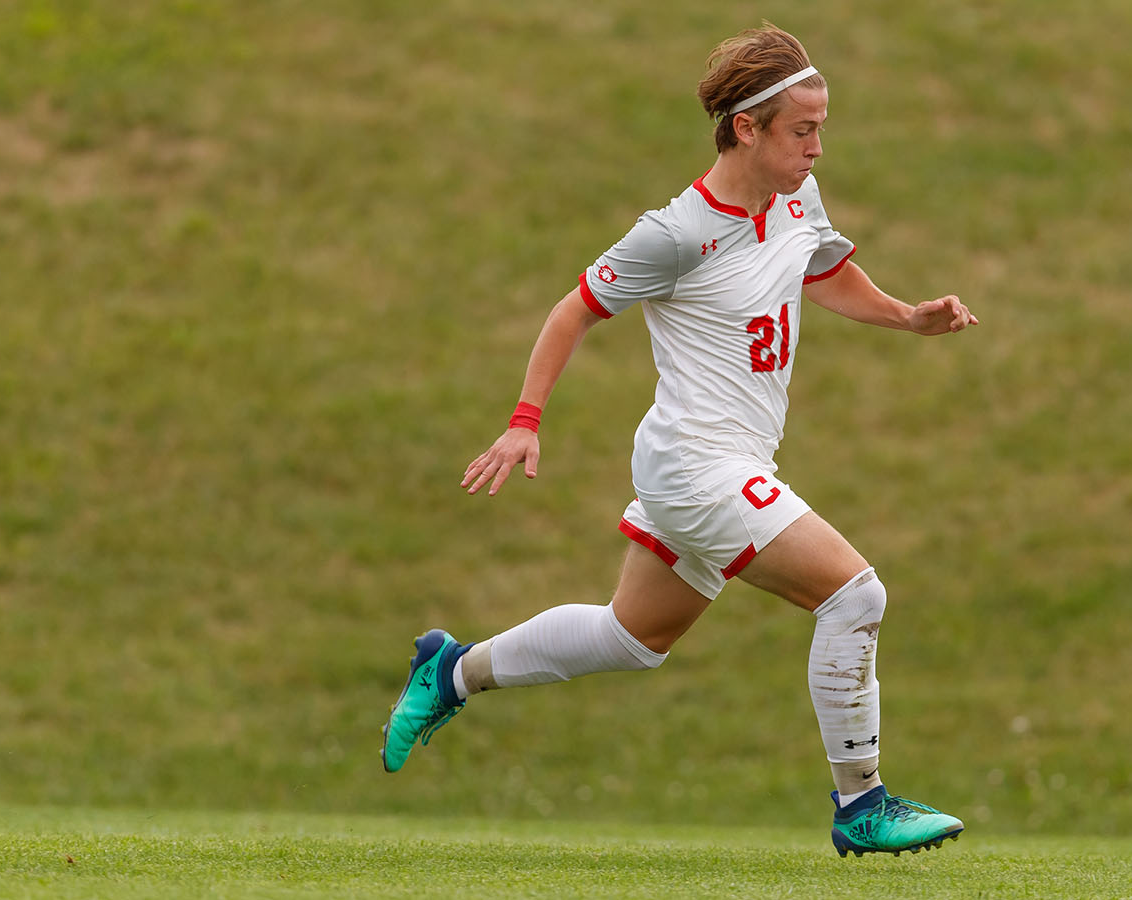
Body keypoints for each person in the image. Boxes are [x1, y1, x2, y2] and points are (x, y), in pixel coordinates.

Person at [381, 24, 979, 857]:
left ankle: (452, 670)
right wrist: (525, 421)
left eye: (822, 128)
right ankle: (862, 802)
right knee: (854, 595)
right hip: (698, 465)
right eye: (803, 130)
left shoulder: (793, 196)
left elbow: (821, 268)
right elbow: (573, 310)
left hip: (720, 462)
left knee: (634, 638)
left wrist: (907, 316)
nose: (817, 147)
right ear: (747, 129)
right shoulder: (675, 234)